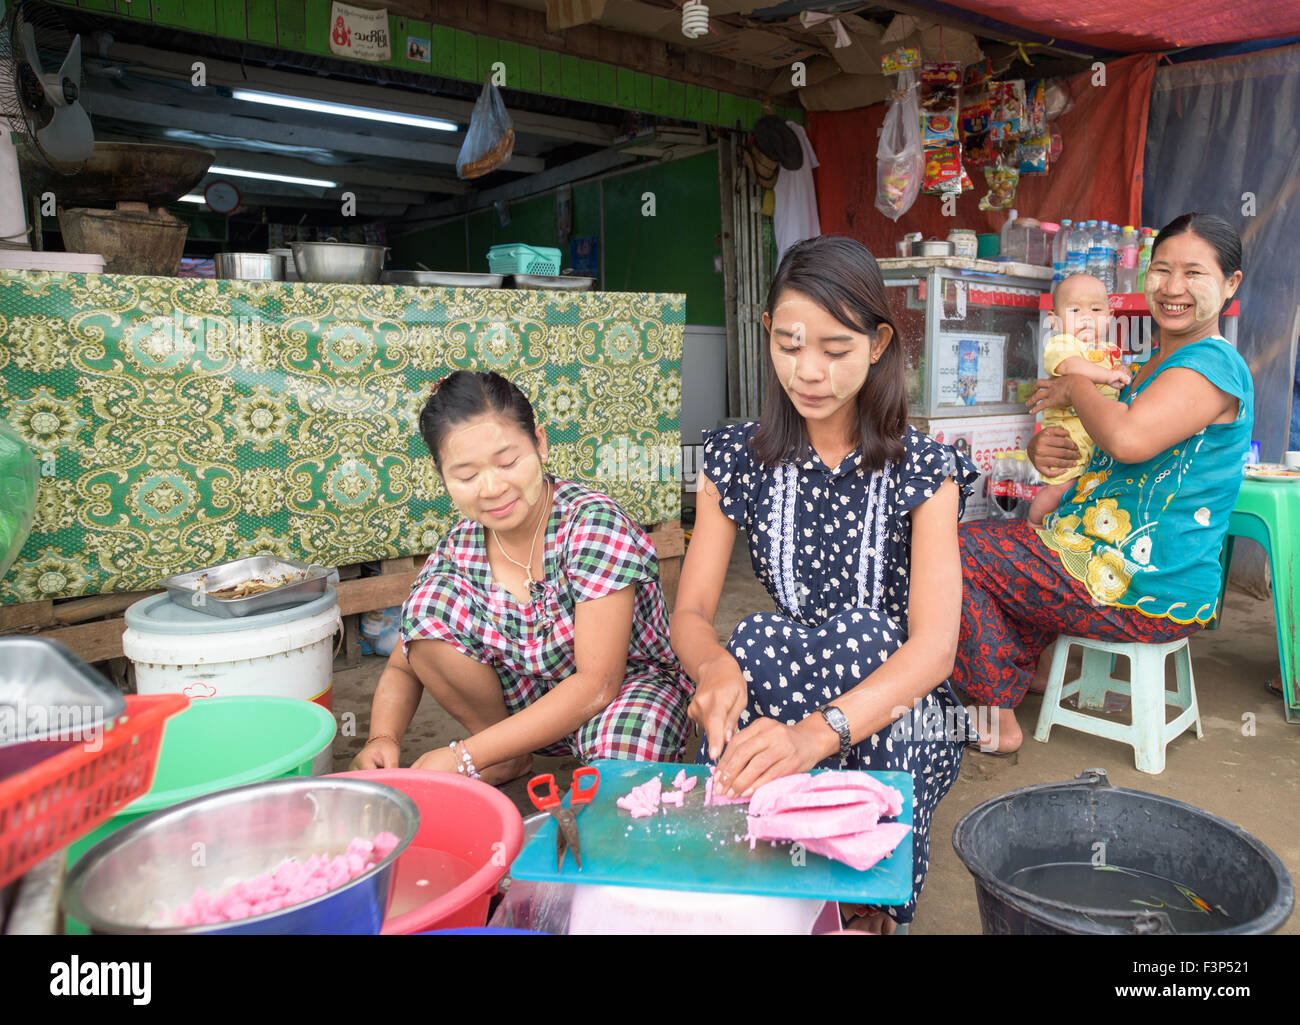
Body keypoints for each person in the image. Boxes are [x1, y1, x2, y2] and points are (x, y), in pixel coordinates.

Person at [670, 236, 980, 933]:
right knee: (758, 639)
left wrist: (815, 735)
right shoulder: (735, 458)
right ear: (768, 337)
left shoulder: (926, 470)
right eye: (789, 344)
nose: (808, 371)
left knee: (867, 634)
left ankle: (862, 907)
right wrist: (714, 667)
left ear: (877, 344)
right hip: (784, 677)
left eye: (835, 350)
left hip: (896, 701)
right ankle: (753, 884)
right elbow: (690, 609)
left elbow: (932, 649)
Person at [954, 213, 1253, 753]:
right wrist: (1044, 451)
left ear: (1231, 285)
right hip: (1100, 559)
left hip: (1139, 581)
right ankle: (1031, 677)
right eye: (1160, 270)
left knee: (955, 552)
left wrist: (1073, 387)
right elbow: (1105, 458)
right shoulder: (1145, 366)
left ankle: (994, 715)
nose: (1173, 287)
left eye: (1194, 273)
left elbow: (1129, 441)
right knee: (1000, 542)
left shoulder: (1212, 365)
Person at [352, 370, 693, 781]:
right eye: (466, 475)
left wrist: (464, 756)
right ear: (441, 474)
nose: (492, 487)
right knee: (426, 616)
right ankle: (505, 753)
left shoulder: (591, 525)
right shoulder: (458, 550)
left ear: (540, 443)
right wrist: (381, 738)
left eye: (508, 461)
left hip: (622, 692)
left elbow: (598, 684)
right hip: (524, 705)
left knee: (626, 757)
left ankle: (493, 751)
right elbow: (403, 664)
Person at [1028, 273, 1132, 527]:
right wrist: (1108, 376)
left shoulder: (1108, 350)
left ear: (1109, 317)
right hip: (1069, 440)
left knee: (1084, 491)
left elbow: (1120, 369)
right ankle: (1033, 523)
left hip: (1096, 440)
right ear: (1054, 321)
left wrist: (1123, 371)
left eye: (1096, 309)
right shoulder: (1061, 344)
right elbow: (1070, 366)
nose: (1087, 317)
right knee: (1060, 488)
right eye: (1075, 310)